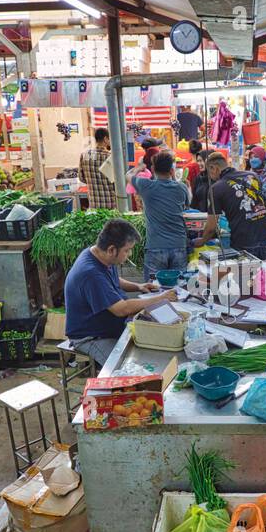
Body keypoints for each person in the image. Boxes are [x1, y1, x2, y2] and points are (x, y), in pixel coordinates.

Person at [64, 218, 171, 367]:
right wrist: (160, 298)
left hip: (111, 326)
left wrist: (138, 286)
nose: (129, 254)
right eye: (127, 250)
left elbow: (114, 279)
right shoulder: (90, 273)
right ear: (111, 250)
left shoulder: (101, 256)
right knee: (126, 368)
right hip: (91, 336)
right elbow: (122, 309)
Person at [197, 151, 266, 260]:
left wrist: (202, 241)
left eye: (209, 172)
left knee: (247, 276)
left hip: (244, 242)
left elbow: (211, 227)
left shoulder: (216, 188)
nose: (210, 176)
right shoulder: (252, 176)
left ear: (214, 168)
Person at [134, 151, 190, 281]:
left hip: (155, 246)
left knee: (153, 289)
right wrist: (174, 178)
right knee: (179, 289)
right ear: (171, 170)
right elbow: (186, 207)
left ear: (153, 169)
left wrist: (139, 168)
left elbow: (127, 175)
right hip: (179, 245)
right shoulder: (181, 188)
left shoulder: (146, 185)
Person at [78, 127, 117, 210]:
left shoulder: (85, 155)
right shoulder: (110, 157)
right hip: (110, 203)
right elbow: (116, 182)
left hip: (93, 203)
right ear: (105, 139)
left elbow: (81, 178)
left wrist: (93, 182)